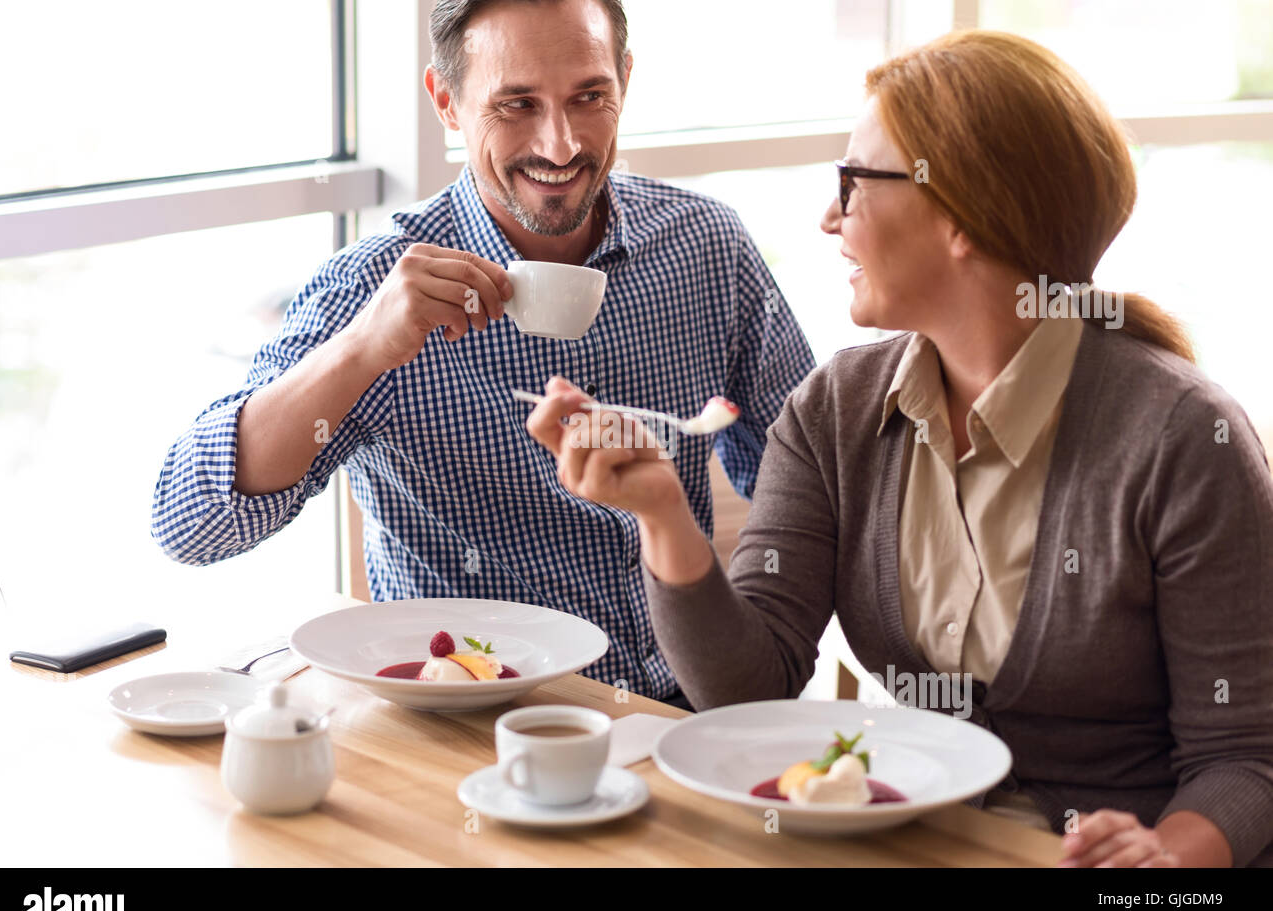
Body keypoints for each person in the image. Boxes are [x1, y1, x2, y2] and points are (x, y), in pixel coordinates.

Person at [527, 30, 1273, 867]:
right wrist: (663, 515)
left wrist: (1165, 857)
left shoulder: (1186, 442)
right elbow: (752, 684)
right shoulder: (836, 410)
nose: (828, 215)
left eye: (855, 183)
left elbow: (1246, 760)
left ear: (961, 216)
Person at [149, 0, 814, 710]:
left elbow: (809, 479)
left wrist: (747, 636)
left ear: (625, 78)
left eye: (589, 97)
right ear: (447, 102)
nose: (559, 147)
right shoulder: (373, 290)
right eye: (516, 105)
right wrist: (359, 352)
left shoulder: (705, 245)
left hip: (677, 721)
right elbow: (190, 525)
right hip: (467, 739)